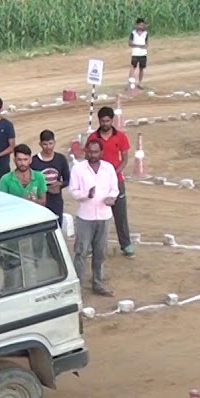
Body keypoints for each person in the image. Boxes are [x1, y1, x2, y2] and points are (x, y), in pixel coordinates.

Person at [68, 138, 119, 296]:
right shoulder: (78, 169)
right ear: (86, 152)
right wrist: (86, 195)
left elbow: (114, 189)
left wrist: (111, 198)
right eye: (90, 152)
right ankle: (79, 286)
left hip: (104, 215)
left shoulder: (108, 168)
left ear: (101, 153)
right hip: (85, 216)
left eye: (96, 152)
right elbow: (73, 191)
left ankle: (98, 283)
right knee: (81, 252)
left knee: (100, 252)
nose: (93, 155)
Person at [86, 106, 134, 257]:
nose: (105, 123)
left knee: (120, 214)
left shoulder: (120, 136)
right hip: (97, 182)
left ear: (112, 120)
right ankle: (93, 245)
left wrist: (114, 173)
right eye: (102, 121)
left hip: (116, 180)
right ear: (98, 121)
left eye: (107, 121)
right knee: (94, 214)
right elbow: (89, 158)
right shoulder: (92, 138)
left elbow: (125, 159)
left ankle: (125, 244)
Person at [30, 129, 71, 218]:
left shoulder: (61, 159)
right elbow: (30, 182)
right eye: (45, 144)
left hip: (56, 200)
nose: (48, 147)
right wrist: (46, 189)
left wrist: (60, 184)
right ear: (40, 144)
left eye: (50, 143)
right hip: (40, 200)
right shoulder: (34, 161)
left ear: (54, 143)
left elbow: (68, 179)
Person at [129, 18, 149, 87]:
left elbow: (146, 43)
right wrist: (140, 46)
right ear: (137, 25)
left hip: (143, 54)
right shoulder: (133, 33)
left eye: (143, 25)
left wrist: (146, 46)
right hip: (135, 53)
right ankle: (130, 83)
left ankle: (140, 83)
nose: (141, 27)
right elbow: (130, 43)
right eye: (140, 25)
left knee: (141, 69)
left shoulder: (146, 33)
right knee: (133, 68)